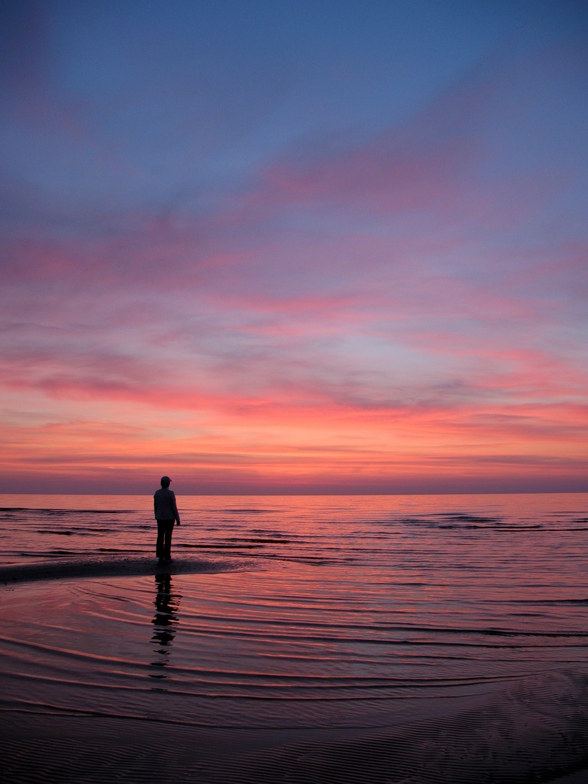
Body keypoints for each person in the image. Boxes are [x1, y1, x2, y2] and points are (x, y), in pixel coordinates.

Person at [154, 476, 180, 563]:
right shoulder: (170, 494)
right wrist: (178, 518)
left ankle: (160, 556)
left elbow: (155, 506)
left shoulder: (157, 493)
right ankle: (167, 556)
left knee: (160, 537)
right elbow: (174, 507)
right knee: (168, 537)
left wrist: (156, 515)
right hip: (169, 518)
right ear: (168, 484)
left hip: (160, 518)